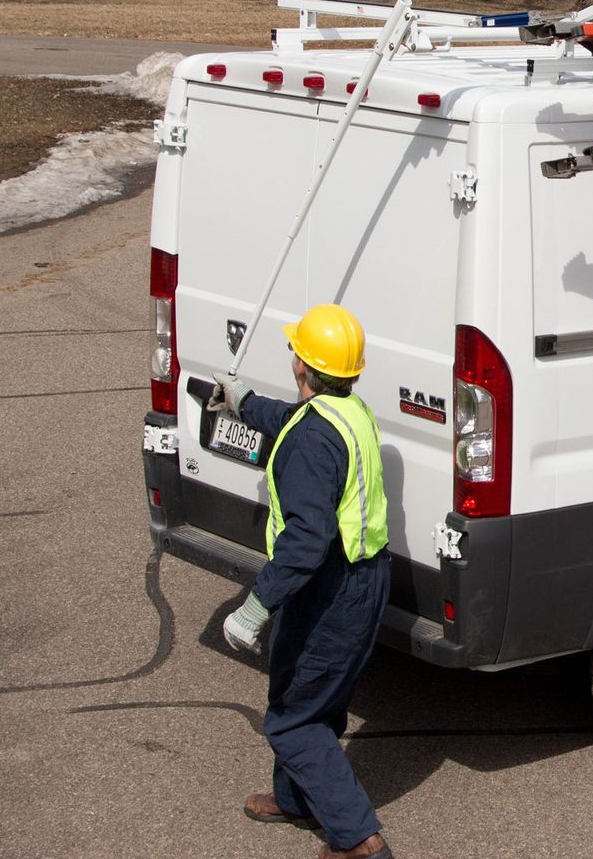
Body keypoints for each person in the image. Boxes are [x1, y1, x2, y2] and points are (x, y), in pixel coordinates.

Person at [211, 303, 394, 859]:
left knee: (292, 721)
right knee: (303, 693)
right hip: (360, 580)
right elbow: (290, 419)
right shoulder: (348, 409)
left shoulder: (313, 443)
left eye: (295, 351)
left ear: (302, 368)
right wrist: (244, 403)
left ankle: (357, 838)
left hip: (331, 588)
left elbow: (304, 541)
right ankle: (297, 798)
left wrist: (255, 606)